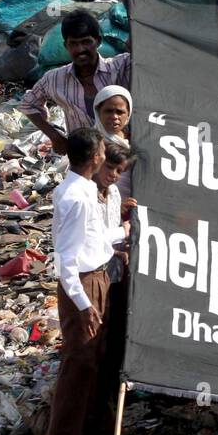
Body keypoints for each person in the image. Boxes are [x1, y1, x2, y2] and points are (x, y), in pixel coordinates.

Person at [43, 128, 129, 435]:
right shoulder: (77, 196)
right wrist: (82, 304)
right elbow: (66, 257)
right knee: (78, 361)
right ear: (95, 157)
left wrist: (121, 232)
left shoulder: (83, 191)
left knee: (94, 356)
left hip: (96, 276)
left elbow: (92, 239)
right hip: (83, 282)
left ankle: (93, 427)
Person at [18, 10, 132, 155]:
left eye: (86, 42)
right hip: (84, 162)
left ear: (98, 41)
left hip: (120, 158)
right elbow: (28, 104)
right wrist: (55, 136)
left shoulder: (120, 67)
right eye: (74, 44)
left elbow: (144, 51)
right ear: (66, 46)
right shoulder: (54, 78)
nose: (80, 50)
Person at [93, 141, 138, 420]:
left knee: (113, 337)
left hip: (113, 272)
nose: (114, 175)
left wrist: (121, 210)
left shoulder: (110, 195)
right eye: (110, 167)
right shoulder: (83, 194)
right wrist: (122, 231)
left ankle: (108, 405)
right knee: (95, 345)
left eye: (119, 171)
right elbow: (91, 238)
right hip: (93, 276)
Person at [92, 84, 134, 201]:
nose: (115, 117)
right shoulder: (91, 143)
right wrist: (116, 207)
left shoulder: (135, 140)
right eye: (108, 111)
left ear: (128, 114)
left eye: (120, 112)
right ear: (98, 111)